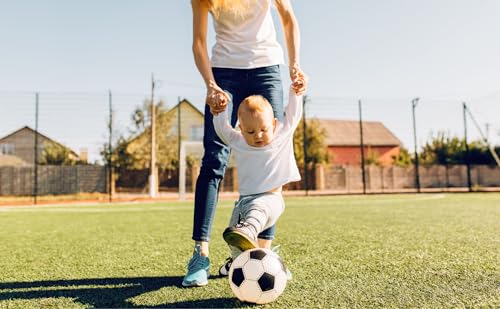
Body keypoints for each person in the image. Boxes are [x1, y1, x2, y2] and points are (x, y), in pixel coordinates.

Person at [183, 0, 307, 287]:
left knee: (271, 153)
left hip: (267, 68)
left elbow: (288, 18)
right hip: (224, 72)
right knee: (214, 160)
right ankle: (200, 254)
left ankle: (263, 254)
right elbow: (199, 42)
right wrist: (211, 84)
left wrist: (295, 64)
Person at [213, 87, 303, 265]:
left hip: (271, 199)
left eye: (263, 129)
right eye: (250, 132)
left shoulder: (281, 135)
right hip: (243, 202)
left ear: (274, 124)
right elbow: (223, 130)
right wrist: (220, 111)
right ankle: (237, 262)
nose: (258, 135)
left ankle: (250, 229)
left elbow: (293, 114)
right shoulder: (239, 141)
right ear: (241, 129)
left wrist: (295, 92)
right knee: (234, 237)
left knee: (257, 209)